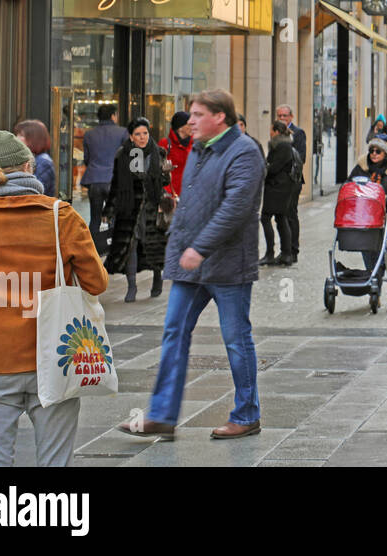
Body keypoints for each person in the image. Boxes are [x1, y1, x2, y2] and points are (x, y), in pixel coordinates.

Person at [0, 131, 107, 466]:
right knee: (54, 462)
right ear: (29, 167)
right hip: (54, 354)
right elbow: (96, 282)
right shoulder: (63, 217)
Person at [118, 89, 266, 440]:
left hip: (227, 264)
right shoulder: (200, 148)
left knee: (235, 338)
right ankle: (162, 415)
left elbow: (236, 209)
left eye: (198, 114)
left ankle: (247, 414)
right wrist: (181, 249)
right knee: (174, 331)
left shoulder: (245, 152)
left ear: (221, 117)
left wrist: (199, 248)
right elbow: (193, 206)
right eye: (190, 114)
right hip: (191, 264)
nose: (191, 121)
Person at [103, 117, 171, 301]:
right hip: (130, 206)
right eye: (138, 134)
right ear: (131, 137)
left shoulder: (159, 152)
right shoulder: (123, 154)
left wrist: (165, 172)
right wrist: (108, 210)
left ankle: (157, 278)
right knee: (131, 246)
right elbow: (116, 183)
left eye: (145, 133)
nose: (142, 137)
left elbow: (164, 183)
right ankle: (131, 287)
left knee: (153, 246)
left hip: (152, 206)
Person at [354, 136, 387, 261]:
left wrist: (384, 198)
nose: (374, 154)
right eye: (371, 150)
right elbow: (349, 183)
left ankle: (377, 275)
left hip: (386, 216)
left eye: (378, 151)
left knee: (381, 256)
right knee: (366, 250)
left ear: (385, 153)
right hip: (366, 217)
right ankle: (371, 275)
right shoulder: (362, 166)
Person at [81, 104, 127, 251]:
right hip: (114, 181)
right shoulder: (122, 132)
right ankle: (113, 248)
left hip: (94, 180)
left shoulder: (89, 134)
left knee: (94, 218)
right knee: (114, 218)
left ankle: (94, 249)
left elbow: (87, 159)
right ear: (113, 116)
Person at [259, 120, 299, 267]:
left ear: (276, 131)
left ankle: (271, 253)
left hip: (277, 188)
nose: (269, 132)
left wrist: (265, 169)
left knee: (265, 218)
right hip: (282, 187)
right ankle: (286, 254)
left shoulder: (282, 146)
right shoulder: (284, 145)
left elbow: (274, 167)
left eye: (271, 130)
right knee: (281, 219)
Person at [276, 105, 306, 261]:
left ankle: (293, 251)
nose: (282, 118)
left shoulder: (298, 133)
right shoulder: (275, 133)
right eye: (279, 116)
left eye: (285, 116)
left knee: (290, 215)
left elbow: (301, 157)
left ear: (291, 117)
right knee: (280, 216)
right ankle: (284, 250)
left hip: (292, 180)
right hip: (279, 182)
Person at [13, 120, 55, 198]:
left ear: (34, 138)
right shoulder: (34, 158)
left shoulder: (44, 162)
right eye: (17, 134)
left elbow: (34, 191)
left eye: (21, 135)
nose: (17, 138)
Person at [159, 111, 192, 197]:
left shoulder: (195, 144)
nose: (192, 126)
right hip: (170, 195)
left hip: (190, 195)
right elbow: (156, 169)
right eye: (189, 124)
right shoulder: (165, 144)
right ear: (180, 127)